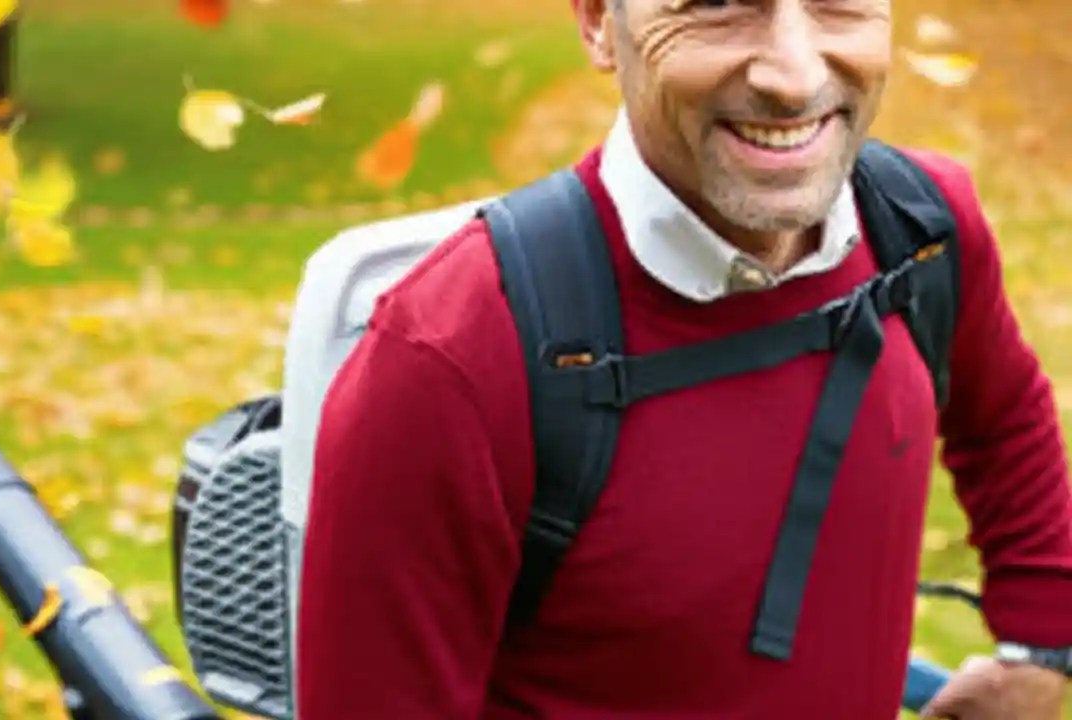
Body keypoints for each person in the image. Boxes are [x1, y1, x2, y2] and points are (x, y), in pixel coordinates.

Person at [295, 1, 1072, 718]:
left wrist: (1044, 647)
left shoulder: (924, 229)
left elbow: (1007, 421)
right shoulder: (450, 362)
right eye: (714, 3)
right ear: (601, 20)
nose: (795, 77)